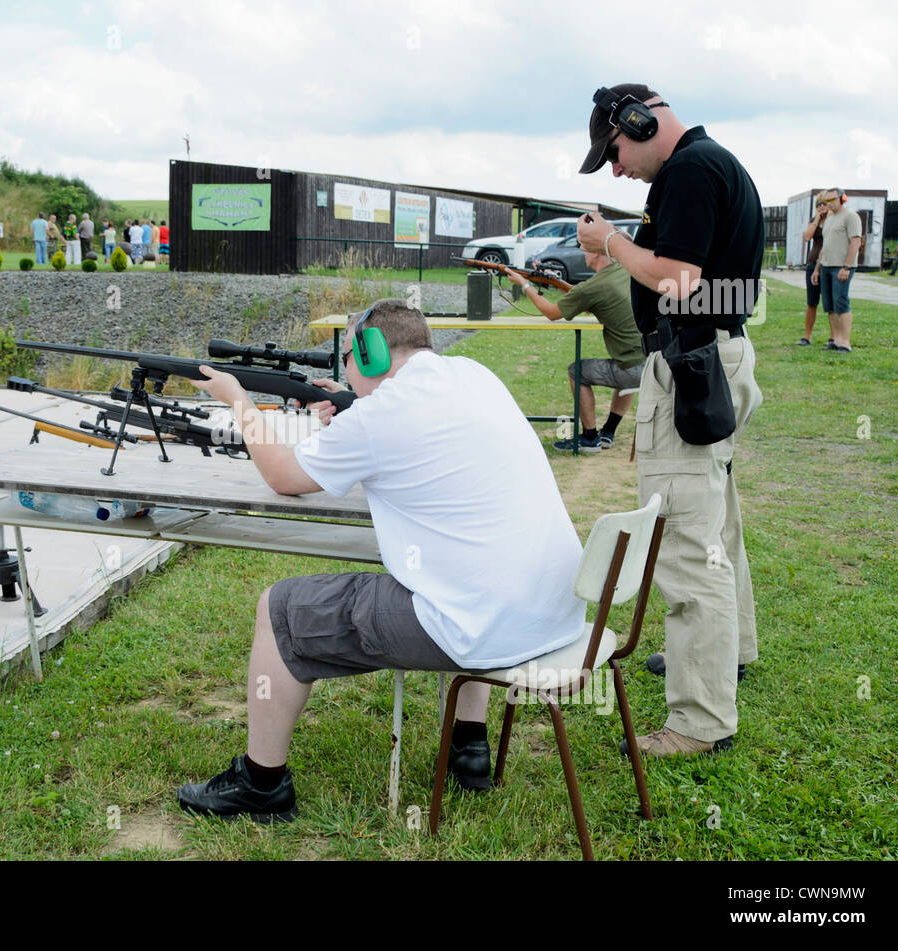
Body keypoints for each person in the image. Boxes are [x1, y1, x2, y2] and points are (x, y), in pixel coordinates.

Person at [176, 299, 587, 821]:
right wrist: (355, 403)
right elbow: (418, 429)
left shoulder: (379, 416)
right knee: (474, 574)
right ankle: (470, 747)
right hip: (550, 611)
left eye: (348, 356)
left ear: (368, 353)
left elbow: (283, 476)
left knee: (280, 609)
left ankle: (261, 785)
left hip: (484, 624)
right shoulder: (473, 375)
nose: (345, 366)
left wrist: (238, 399)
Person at [577, 83, 763, 757]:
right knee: (716, 523)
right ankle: (730, 653)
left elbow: (680, 281)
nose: (618, 166)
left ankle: (700, 718)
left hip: (691, 359)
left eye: (616, 150)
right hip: (711, 357)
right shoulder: (710, 163)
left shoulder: (688, 171)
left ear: (638, 119)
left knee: (686, 543)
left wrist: (612, 242)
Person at [502, 248, 643, 453]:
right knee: (624, 367)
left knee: (576, 371)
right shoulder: (622, 270)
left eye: (585, 249)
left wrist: (524, 285)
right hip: (652, 362)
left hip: (632, 370)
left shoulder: (594, 286)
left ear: (596, 254)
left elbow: (551, 312)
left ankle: (589, 437)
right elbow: (586, 301)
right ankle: (608, 433)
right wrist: (557, 283)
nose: (582, 253)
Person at [810, 188, 861, 353]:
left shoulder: (850, 216)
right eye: (827, 200)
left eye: (832, 200)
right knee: (830, 306)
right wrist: (817, 269)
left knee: (841, 302)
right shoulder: (830, 220)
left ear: (842, 199)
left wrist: (846, 266)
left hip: (841, 267)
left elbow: (855, 242)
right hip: (825, 266)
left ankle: (845, 343)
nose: (829, 203)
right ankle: (835, 340)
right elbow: (825, 247)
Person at [796, 195, 831, 346]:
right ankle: (807, 337)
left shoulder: (834, 220)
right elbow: (806, 237)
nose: (822, 206)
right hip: (812, 264)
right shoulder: (814, 220)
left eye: (825, 204)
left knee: (830, 303)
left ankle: (834, 337)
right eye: (819, 204)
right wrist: (816, 220)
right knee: (812, 303)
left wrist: (828, 218)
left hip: (829, 264)